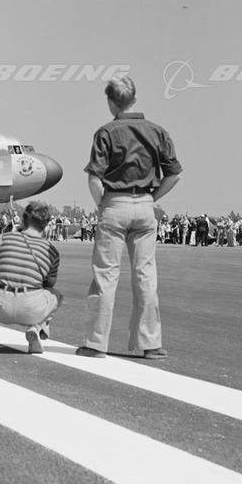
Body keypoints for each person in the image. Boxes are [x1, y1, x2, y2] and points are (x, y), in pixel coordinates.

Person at [78, 75, 182, 359]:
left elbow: (94, 177)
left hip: (114, 203)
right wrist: (152, 198)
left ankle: (96, 343)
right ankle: (151, 344)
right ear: (134, 98)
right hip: (146, 205)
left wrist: (105, 205)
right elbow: (174, 173)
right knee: (146, 276)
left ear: (111, 102)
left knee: (105, 276)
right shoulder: (157, 131)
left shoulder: (105, 133)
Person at [0, 201, 63, 354]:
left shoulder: (5, 239)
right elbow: (50, 283)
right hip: (31, 310)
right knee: (55, 294)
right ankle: (36, 327)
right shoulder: (51, 251)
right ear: (47, 225)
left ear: (23, 220)